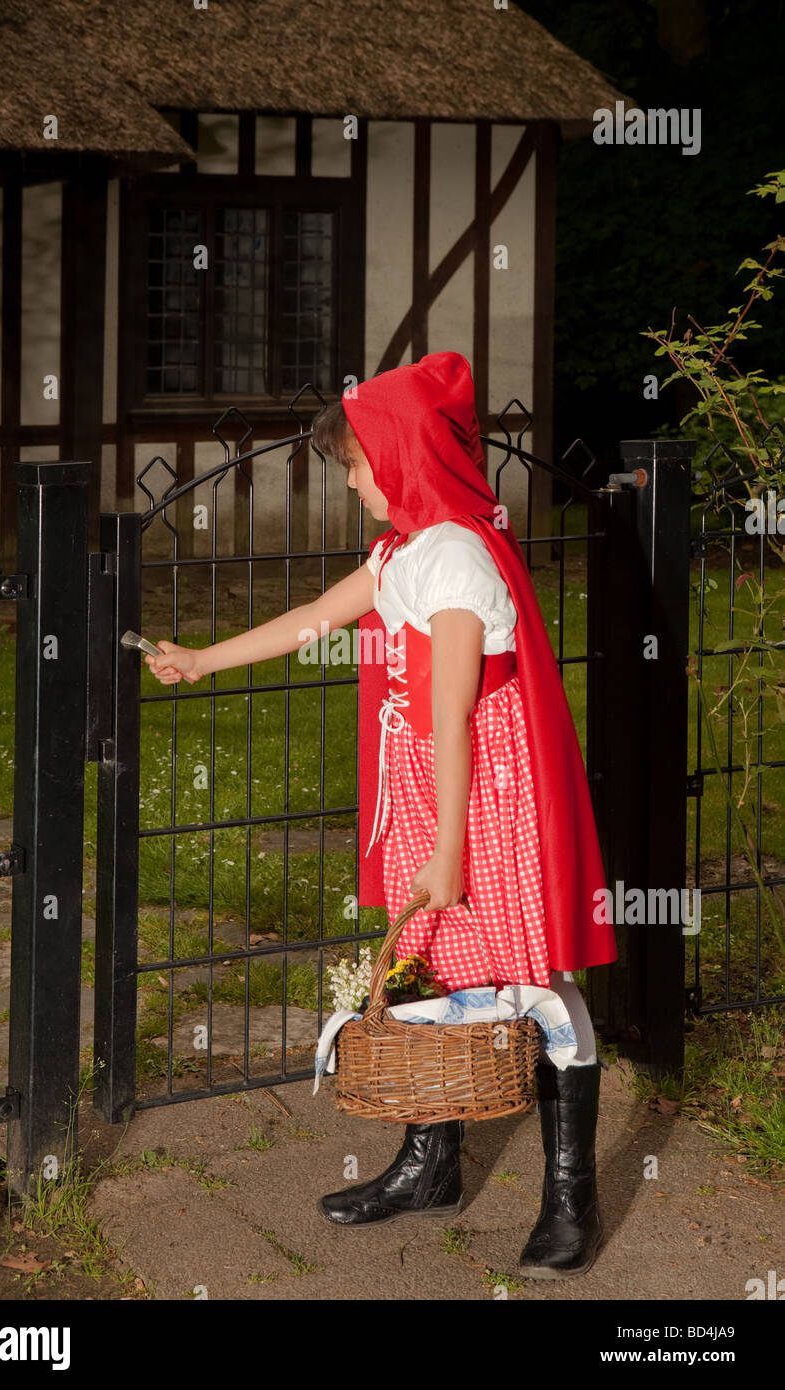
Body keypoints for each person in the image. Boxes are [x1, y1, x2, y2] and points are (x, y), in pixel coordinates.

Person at [145, 351, 617, 1279]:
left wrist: (447, 849)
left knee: (535, 983)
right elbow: (318, 615)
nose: (353, 482)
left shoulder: (456, 557)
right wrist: (202, 660)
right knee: (430, 968)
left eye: (357, 465)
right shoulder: (405, 547)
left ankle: (573, 1199)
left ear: (400, 458)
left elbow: (456, 715)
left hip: (480, 796)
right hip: (427, 782)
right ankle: (430, 1166)